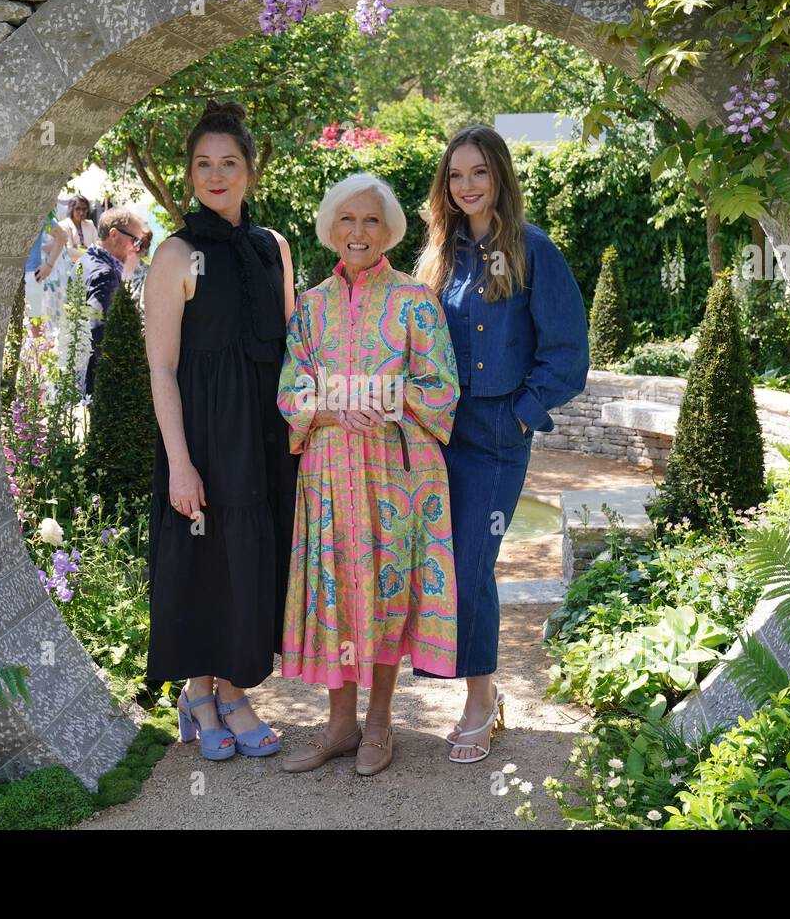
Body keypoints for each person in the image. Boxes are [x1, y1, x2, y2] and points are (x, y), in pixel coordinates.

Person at [414, 125, 589, 763]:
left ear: (501, 179)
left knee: (471, 565)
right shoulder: (438, 255)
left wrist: (522, 414)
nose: (467, 186)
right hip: (435, 434)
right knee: (433, 565)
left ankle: (480, 700)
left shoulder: (533, 251)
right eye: (456, 175)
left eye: (479, 173)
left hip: (495, 437)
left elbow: (568, 354)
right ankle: (465, 692)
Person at [277, 173, 460, 776]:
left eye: (371, 221)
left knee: (383, 589)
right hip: (328, 473)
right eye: (348, 220)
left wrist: (386, 396)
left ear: (387, 231)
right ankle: (338, 726)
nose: (358, 232)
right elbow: (289, 390)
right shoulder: (308, 307)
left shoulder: (415, 301)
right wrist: (328, 407)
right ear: (333, 229)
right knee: (336, 586)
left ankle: (380, 725)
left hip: (395, 474)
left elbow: (442, 388)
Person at [143, 100, 298, 760]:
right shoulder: (175, 253)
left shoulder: (274, 249)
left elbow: (293, 349)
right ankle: (202, 696)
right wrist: (180, 461)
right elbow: (162, 369)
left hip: (263, 436)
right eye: (204, 163)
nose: (216, 174)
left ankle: (229, 689)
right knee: (204, 562)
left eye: (229, 162)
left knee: (250, 564)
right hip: (203, 435)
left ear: (249, 172)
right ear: (189, 175)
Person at [77, 207, 152, 394]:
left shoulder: (86, 259)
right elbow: (99, 330)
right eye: (134, 240)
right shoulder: (104, 273)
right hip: (99, 382)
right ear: (114, 234)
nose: (136, 247)